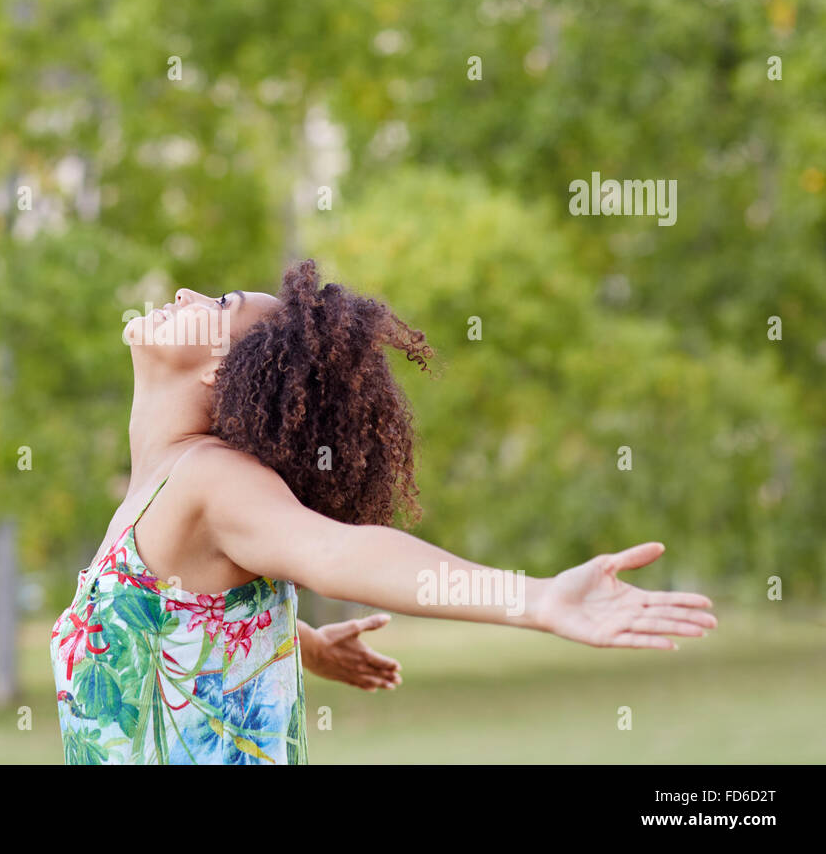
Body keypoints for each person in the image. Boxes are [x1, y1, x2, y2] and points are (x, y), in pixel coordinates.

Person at [50, 259, 716, 764]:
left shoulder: (209, 479)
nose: (189, 295)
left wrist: (535, 598)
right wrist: (293, 641)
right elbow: (174, 618)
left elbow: (338, 552)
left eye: (218, 304)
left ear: (220, 373)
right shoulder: (164, 489)